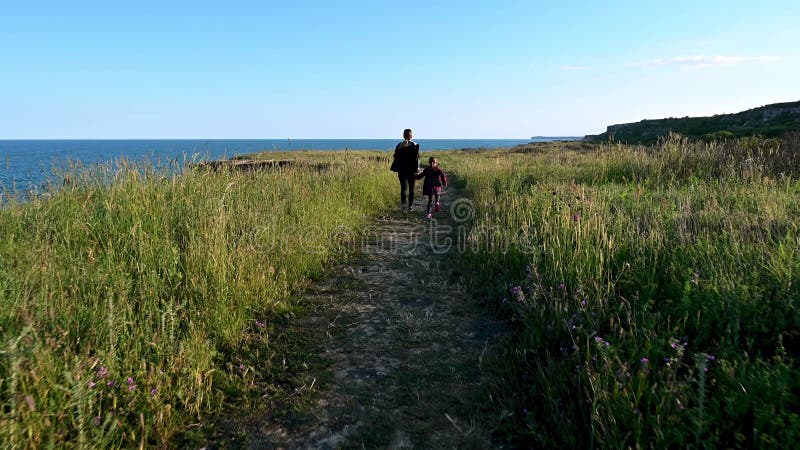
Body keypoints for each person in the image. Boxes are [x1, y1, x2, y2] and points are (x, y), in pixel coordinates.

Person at [391, 128, 420, 212]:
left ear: (403, 135)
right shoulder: (415, 145)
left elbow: (395, 156)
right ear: (411, 135)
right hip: (412, 170)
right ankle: (410, 206)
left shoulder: (399, 145)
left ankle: (403, 205)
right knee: (411, 188)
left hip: (401, 170)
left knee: (403, 188)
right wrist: (417, 169)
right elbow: (417, 158)